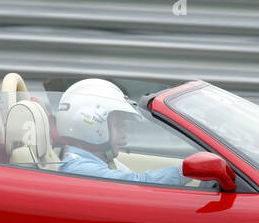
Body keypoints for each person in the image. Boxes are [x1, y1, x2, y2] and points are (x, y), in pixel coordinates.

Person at [55, 79, 184, 185]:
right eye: (118, 126)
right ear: (92, 127)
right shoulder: (81, 169)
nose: (124, 139)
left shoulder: (95, 160)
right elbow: (140, 185)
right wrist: (184, 171)